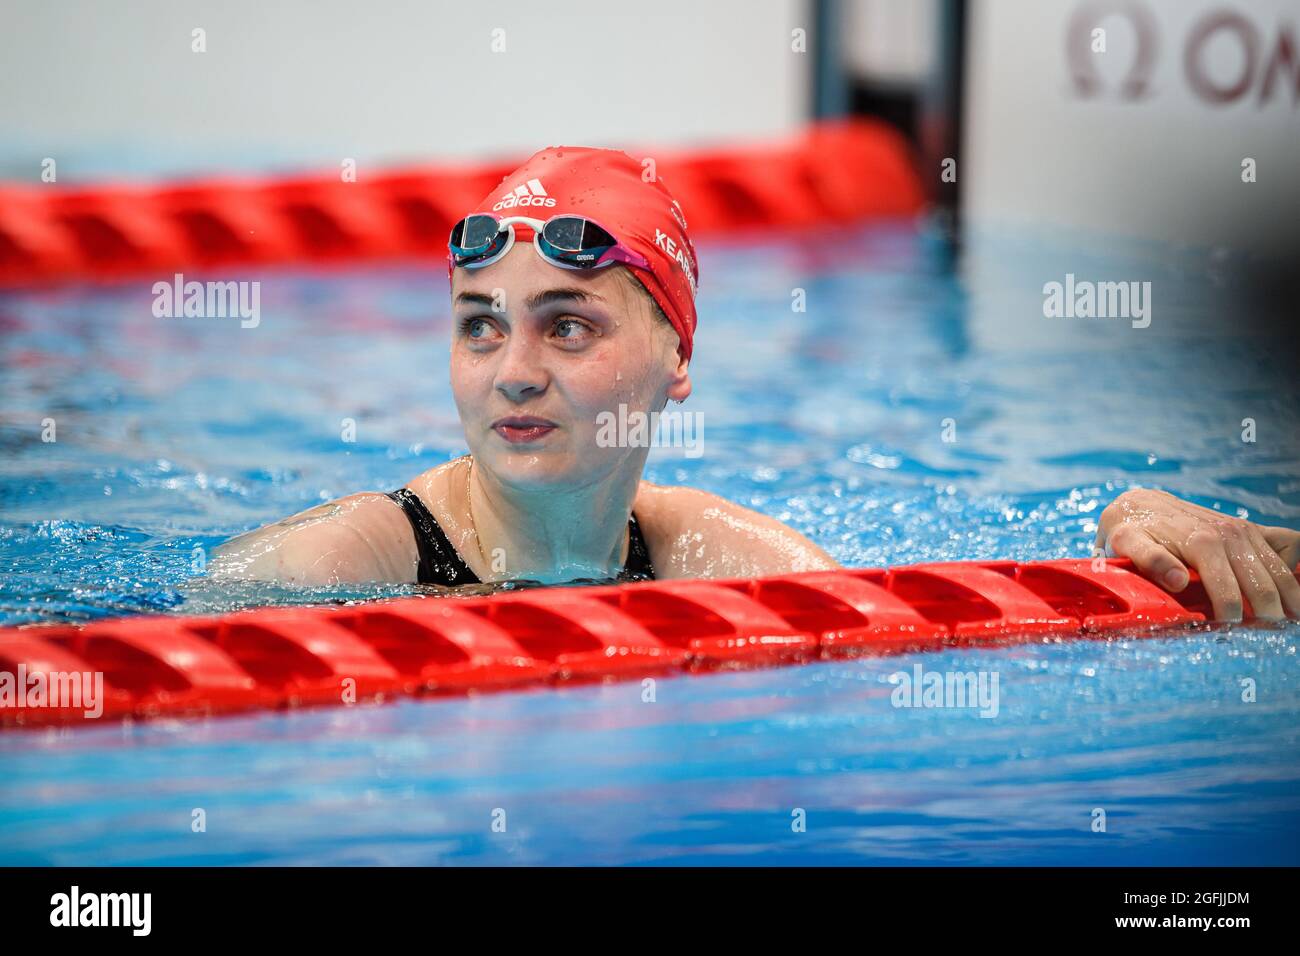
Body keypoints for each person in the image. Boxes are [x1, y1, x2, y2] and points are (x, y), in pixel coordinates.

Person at [208, 146, 1300, 622]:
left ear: (678, 359)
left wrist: (1132, 531)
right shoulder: (342, 560)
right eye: (478, 326)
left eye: (569, 323)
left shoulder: (705, 549)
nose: (514, 372)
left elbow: (934, 622)